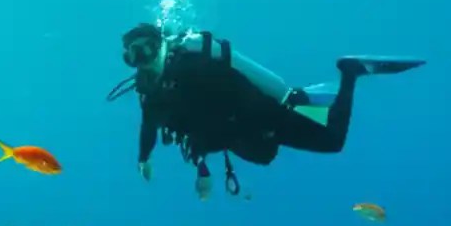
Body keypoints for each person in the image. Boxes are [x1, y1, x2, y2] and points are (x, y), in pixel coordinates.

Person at [106, 23, 425, 199]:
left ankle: (349, 73)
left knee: (332, 142)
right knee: (299, 140)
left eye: (144, 47)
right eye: (131, 54)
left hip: (261, 117)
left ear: (159, 43)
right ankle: (312, 97)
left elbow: (232, 95)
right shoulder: (149, 88)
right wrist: (143, 158)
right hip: (242, 131)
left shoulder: (191, 66)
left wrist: (270, 118)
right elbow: (150, 123)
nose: (141, 57)